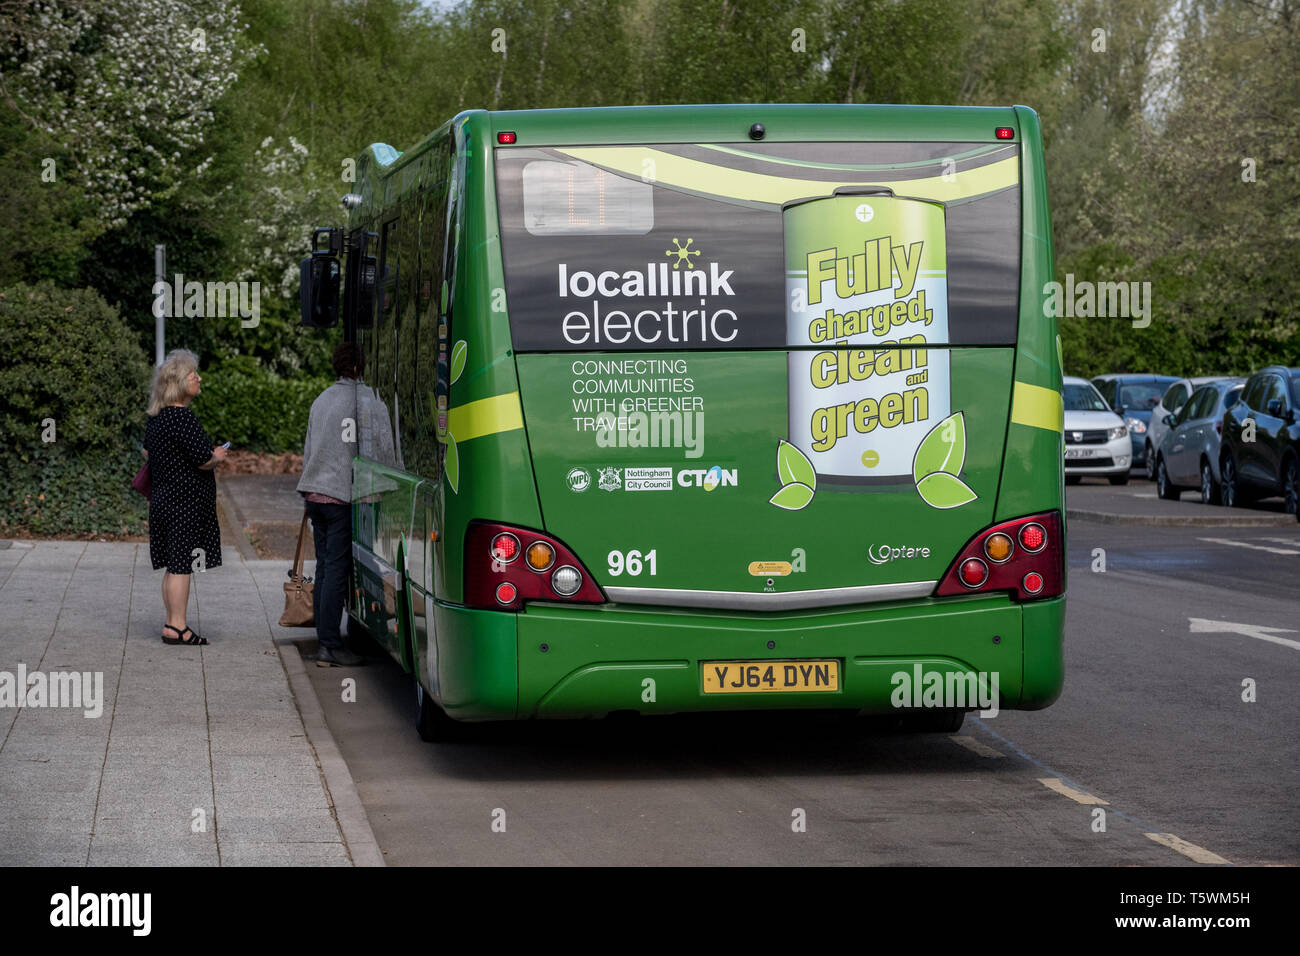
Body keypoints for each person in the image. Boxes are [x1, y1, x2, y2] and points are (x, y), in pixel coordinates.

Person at [297, 342, 373, 667]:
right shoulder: (365, 400)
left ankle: (324, 640)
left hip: (314, 494)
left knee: (325, 567)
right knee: (337, 568)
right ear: (357, 367)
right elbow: (375, 447)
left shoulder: (321, 400)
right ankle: (329, 644)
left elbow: (309, 447)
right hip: (340, 497)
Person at [144, 349, 225, 645]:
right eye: (194, 375)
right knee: (181, 566)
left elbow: (147, 452)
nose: (199, 378)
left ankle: (170, 622)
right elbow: (203, 459)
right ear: (181, 383)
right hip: (185, 503)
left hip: (163, 499)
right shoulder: (183, 418)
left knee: (172, 564)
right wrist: (217, 455)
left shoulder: (158, 418)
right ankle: (178, 626)